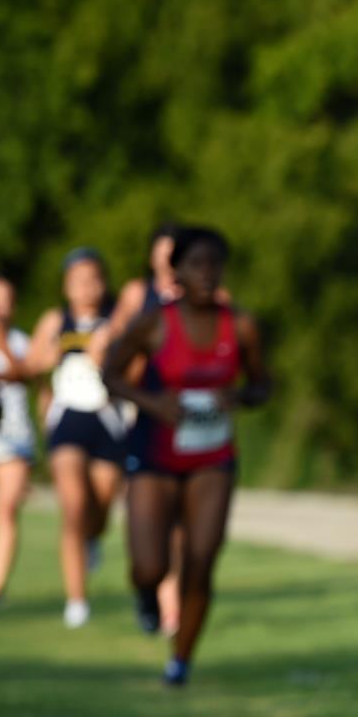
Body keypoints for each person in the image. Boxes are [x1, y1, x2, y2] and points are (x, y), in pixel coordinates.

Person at [103, 226, 271, 685]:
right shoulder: (153, 322)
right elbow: (111, 374)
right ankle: (145, 595)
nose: (206, 273)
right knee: (150, 566)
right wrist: (154, 403)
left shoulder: (239, 324)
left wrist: (237, 398)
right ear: (174, 271)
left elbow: (262, 384)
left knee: (200, 561)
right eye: (196, 264)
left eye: (214, 265)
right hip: (154, 455)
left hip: (212, 458)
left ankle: (180, 661)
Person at [24, 248, 126, 627]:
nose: (87, 287)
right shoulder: (56, 320)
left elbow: (135, 365)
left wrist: (110, 353)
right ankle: (77, 601)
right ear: (67, 286)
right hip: (68, 419)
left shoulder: (117, 321)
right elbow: (31, 363)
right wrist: (50, 356)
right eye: (79, 280)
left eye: (94, 278)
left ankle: (93, 539)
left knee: (98, 509)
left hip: (107, 417)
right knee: (73, 506)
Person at [108, 223, 185, 635]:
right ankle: (145, 587)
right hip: (144, 418)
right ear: (153, 256)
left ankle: (171, 610)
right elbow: (114, 350)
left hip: (190, 426)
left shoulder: (208, 298)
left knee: (180, 522)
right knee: (145, 521)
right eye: (165, 250)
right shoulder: (138, 296)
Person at [0, 275, 36, 606]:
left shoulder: (21, 342)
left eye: (5, 300)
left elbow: (26, 375)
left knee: (6, 509)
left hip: (12, 434)